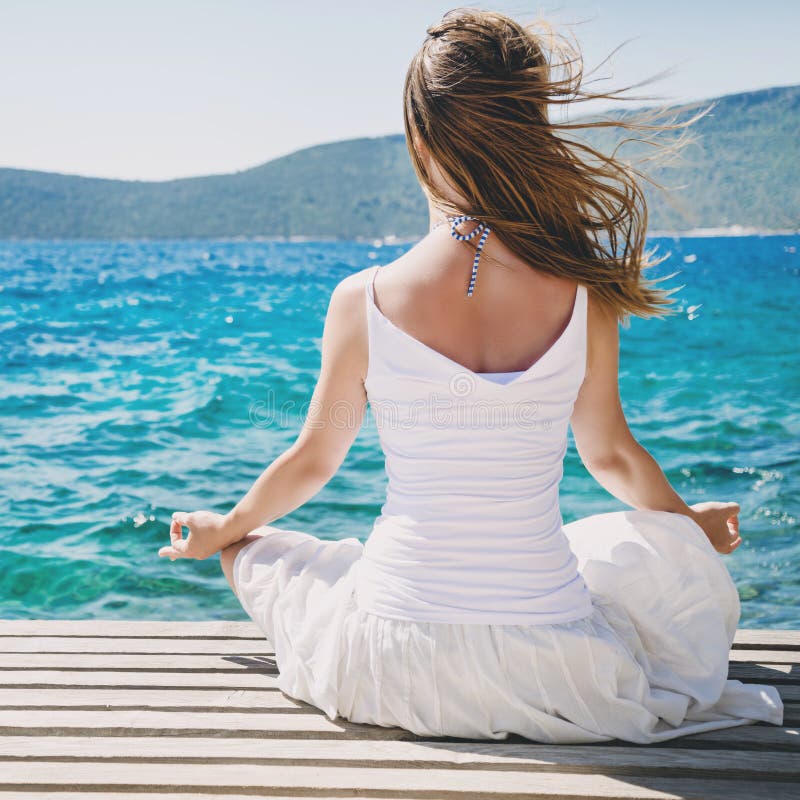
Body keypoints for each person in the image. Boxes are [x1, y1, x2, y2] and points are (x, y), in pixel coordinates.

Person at [159, 8, 784, 742]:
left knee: (263, 554)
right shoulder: (584, 293)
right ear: (533, 127)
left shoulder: (363, 299)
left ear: (420, 137)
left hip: (390, 660)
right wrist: (689, 526)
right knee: (638, 545)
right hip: (555, 664)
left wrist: (223, 529)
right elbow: (612, 455)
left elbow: (315, 458)